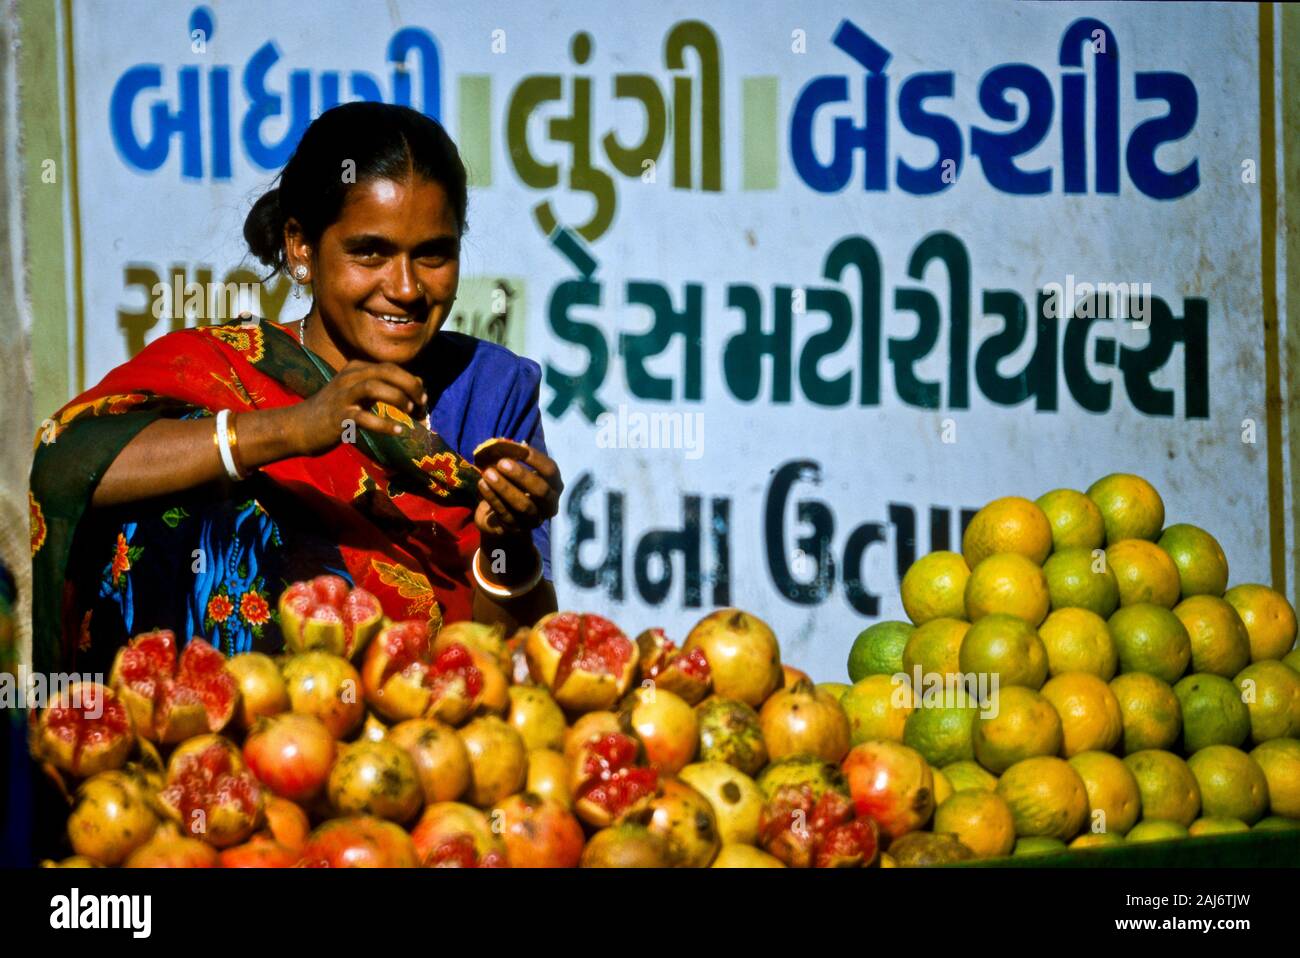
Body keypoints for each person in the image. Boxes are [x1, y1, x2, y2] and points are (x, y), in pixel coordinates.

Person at [28, 101, 562, 682]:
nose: (406, 288)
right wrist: (297, 428)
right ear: (302, 248)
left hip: (411, 737)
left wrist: (508, 548)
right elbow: (66, 462)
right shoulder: (226, 371)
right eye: (371, 252)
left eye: (433, 254)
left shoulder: (489, 389)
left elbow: (503, 655)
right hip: (223, 726)